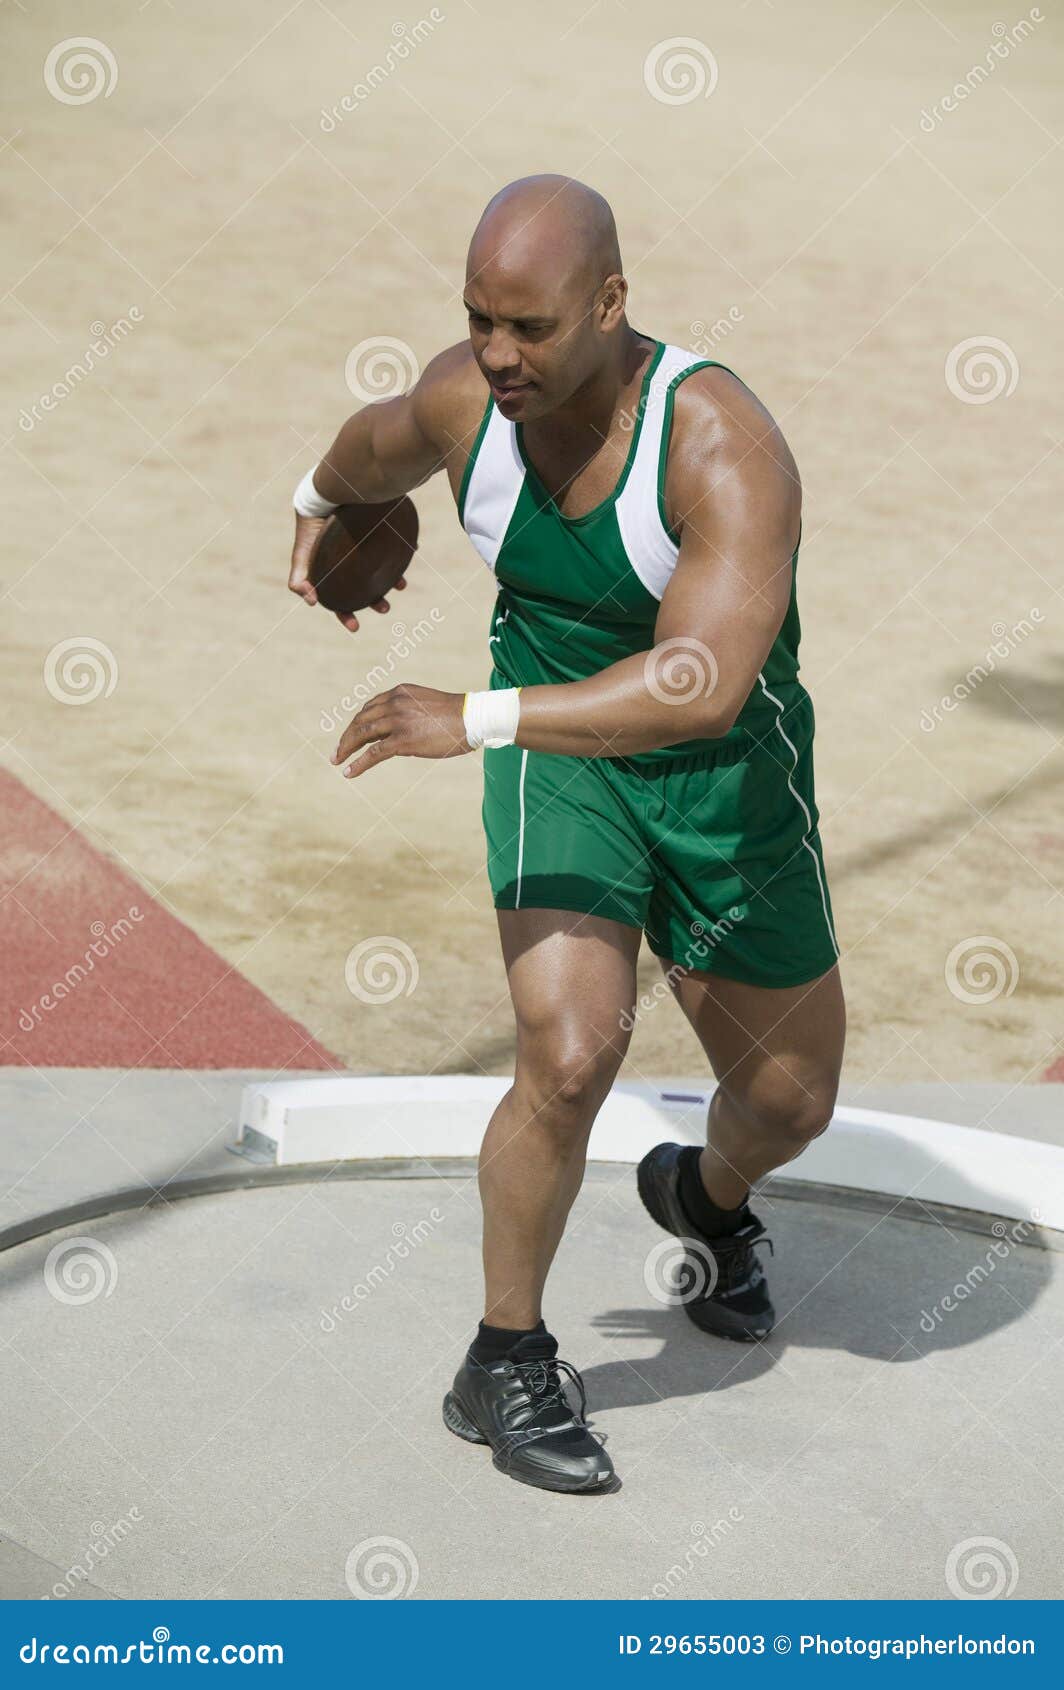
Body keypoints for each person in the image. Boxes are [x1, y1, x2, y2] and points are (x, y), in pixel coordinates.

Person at [288, 175, 846, 1495]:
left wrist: (468, 717)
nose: (496, 352)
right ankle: (506, 1353)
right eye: (478, 318)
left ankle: (707, 1196)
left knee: (790, 1100)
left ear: (610, 303)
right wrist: (313, 504)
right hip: (562, 759)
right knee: (572, 1044)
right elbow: (367, 449)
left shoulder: (720, 441)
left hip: (721, 776)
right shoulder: (466, 401)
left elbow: (695, 684)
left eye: (530, 325)